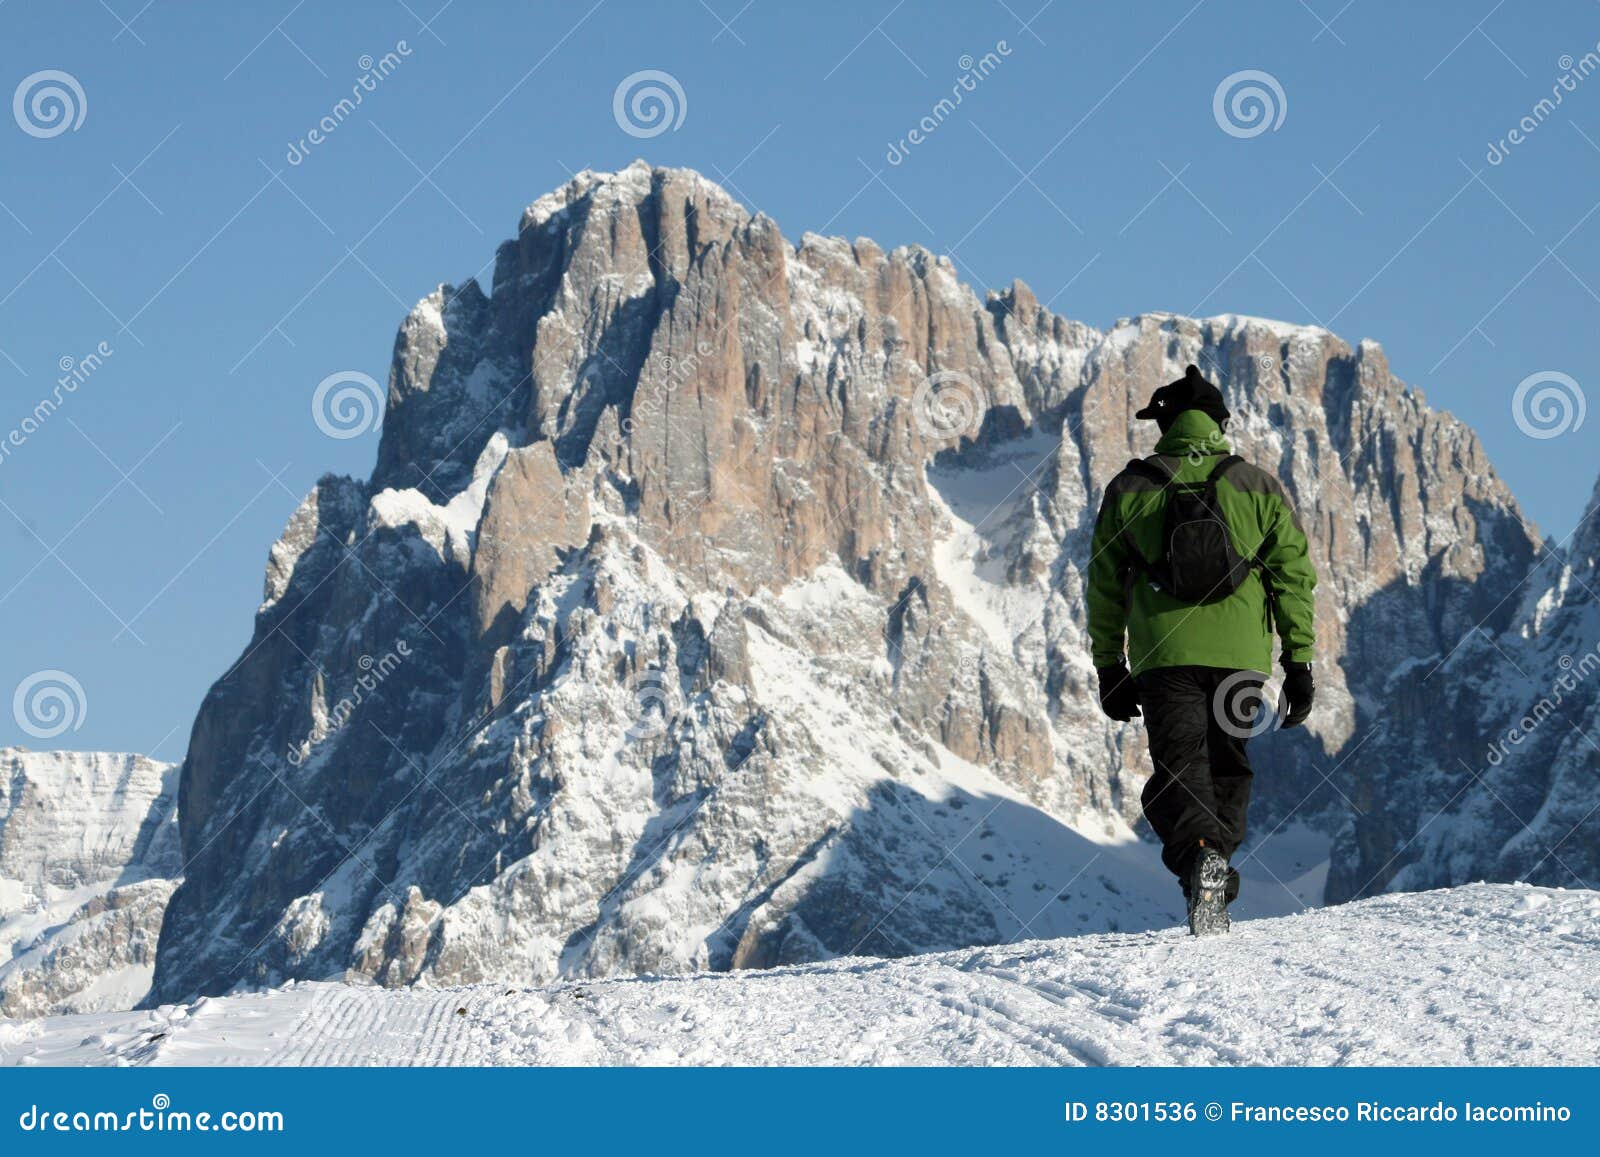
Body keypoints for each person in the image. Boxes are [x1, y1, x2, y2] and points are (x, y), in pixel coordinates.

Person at [1085, 363, 1317, 936]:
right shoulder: (1257, 484)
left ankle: (1199, 858)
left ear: (1164, 426)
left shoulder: (1130, 487)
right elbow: (1294, 577)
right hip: (1241, 659)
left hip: (1165, 659)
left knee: (1178, 768)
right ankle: (1216, 862)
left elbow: (1105, 583)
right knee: (1228, 765)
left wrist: (1109, 665)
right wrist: (1299, 662)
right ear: (1219, 423)